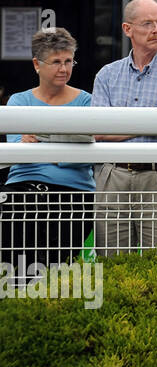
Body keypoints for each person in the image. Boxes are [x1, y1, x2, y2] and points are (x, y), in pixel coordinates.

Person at [91, 0, 157, 254]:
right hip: (114, 174)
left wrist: (123, 126)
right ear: (128, 29)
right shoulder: (107, 74)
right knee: (113, 266)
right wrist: (154, 115)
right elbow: (98, 132)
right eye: (147, 23)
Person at [3, 28, 94, 276]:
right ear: (37, 64)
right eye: (56, 62)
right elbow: (19, 151)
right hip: (23, 189)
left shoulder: (86, 101)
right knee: (15, 266)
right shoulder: (19, 101)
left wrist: (44, 143)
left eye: (68, 61)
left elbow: (87, 149)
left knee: (57, 271)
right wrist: (65, 147)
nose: (64, 69)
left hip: (74, 194)